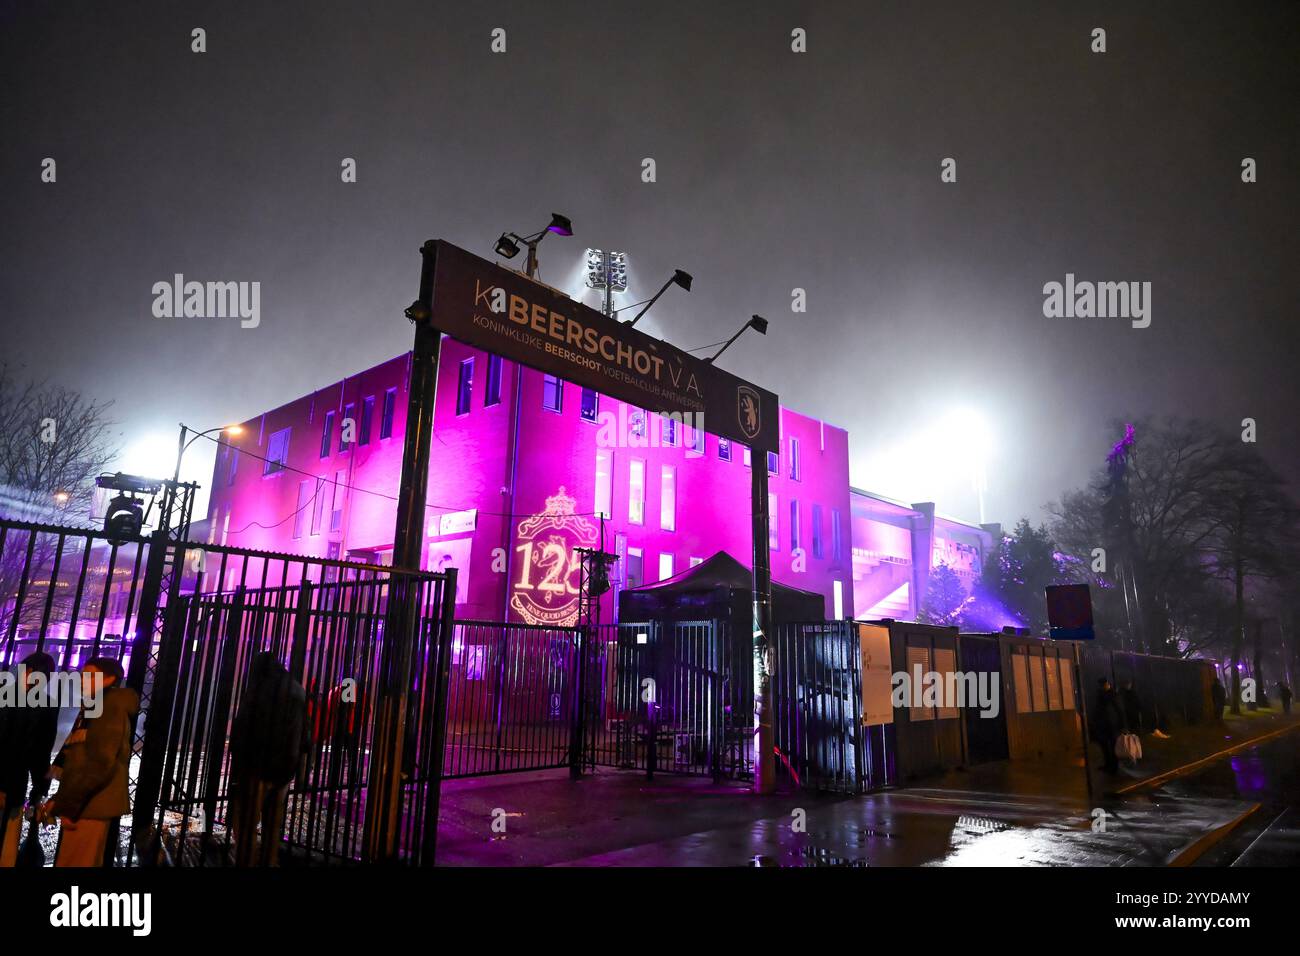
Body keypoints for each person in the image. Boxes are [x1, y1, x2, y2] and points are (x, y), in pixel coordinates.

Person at [41, 657, 139, 867]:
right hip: (87, 803)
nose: (84, 680)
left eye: (91, 675)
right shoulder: (95, 706)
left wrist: (70, 805)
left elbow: (99, 763)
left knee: (77, 861)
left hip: (90, 805)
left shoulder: (107, 707)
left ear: (110, 679)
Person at [228, 653, 309, 866]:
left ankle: (246, 860)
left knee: (248, 822)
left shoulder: (259, 689)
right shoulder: (297, 690)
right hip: (285, 766)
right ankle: (270, 860)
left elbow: (243, 727)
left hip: (258, 763)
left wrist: (237, 761)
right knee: (273, 823)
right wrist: (299, 768)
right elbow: (304, 735)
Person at [0, 652, 60, 866]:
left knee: (6, 842)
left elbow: (41, 750)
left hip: (14, 783)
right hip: (12, 781)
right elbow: (41, 750)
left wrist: (39, 791)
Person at [1091, 678, 1124, 774]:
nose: (1102, 687)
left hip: (1111, 724)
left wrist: (1122, 725)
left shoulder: (1112, 694)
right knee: (1104, 746)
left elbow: (1119, 709)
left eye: (1103, 685)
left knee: (1112, 746)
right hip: (1103, 724)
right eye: (1101, 685)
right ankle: (1108, 764)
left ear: (1107, 684)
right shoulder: (1101, 695)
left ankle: (1114, 767)